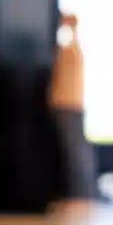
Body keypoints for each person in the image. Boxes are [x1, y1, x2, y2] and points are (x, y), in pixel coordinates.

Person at [49, 12, 95, 206]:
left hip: (69, 105)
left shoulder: (71, 51)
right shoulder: (69, 51)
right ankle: (79, 193)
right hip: (68, 106)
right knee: (74, 151)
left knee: (74, 151)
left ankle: (81, 194)